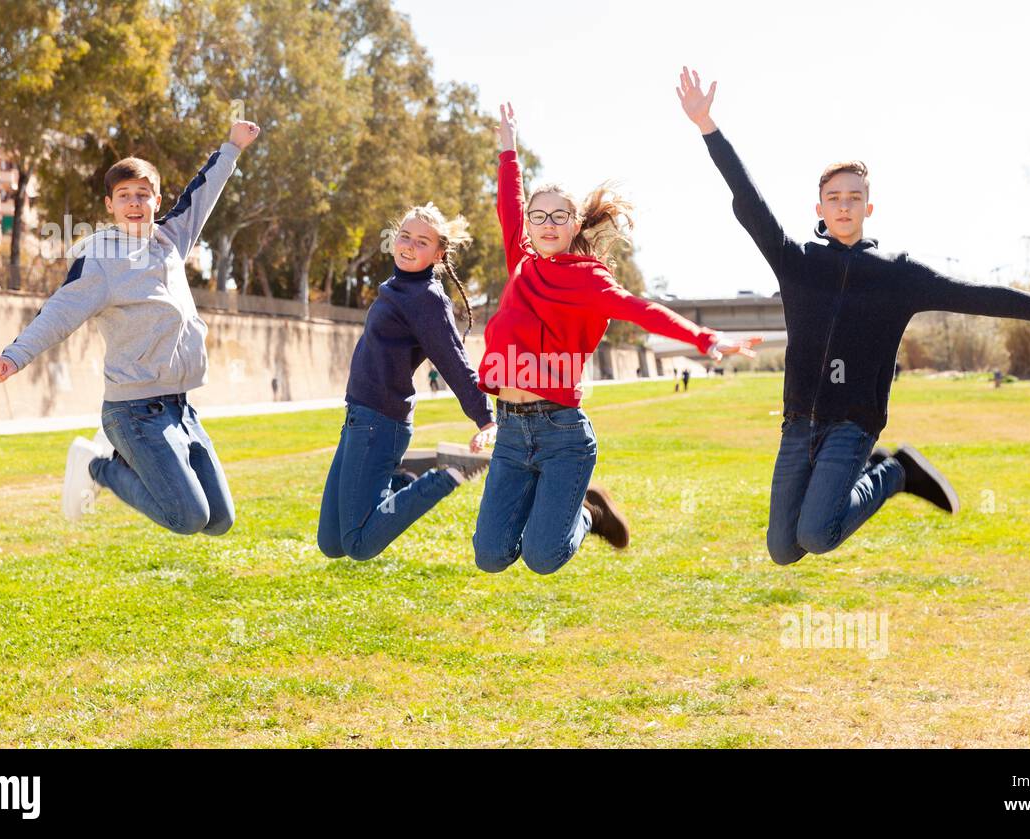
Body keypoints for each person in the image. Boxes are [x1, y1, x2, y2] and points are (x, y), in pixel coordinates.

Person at [676, 66, 1030, 566]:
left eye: (855, 198)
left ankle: (894, 473)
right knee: (784, 550)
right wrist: (707, 127)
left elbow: (981, 295)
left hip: (854, 421)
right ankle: (879, 471)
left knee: (818, 535)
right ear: (820, 207)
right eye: (834, 198)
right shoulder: (796, 261)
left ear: (869, 207)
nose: (844, 206)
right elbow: (750, 200)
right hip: (799, 421)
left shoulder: (899, 275)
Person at [471, 102, 758, 576]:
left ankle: (587, 511)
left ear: (575, 224)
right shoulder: (521, 263)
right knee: (492, 556)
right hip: (510, 432)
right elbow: (507, 206)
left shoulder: (589, 279)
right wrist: (508, 150)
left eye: (559, 216)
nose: (546, 224)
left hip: (560, 432)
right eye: (537, 216)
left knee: (543, 558)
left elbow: (641, 310)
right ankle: (546, 507)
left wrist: (704, 339)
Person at [0, 120, 262, 534]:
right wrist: (14, 355)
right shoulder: (99, 258)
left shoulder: (171, 240)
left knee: (220, 520)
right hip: (134, 410)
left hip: (180, 406)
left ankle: (113, 461)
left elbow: (202, 194)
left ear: (156, 200)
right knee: (188, 518)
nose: (133, 203)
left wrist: (232, 148)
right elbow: (61, 311)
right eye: (123, 196)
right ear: (110, 205)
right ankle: (99, 467)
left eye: (142, 195)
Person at [317, 203, 496, 561]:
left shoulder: (426, 298)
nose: (409, 246)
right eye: (405, 236)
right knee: (332, 542)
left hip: (379, 423)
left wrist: (485, 418)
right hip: (359, 418)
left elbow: (453, 360)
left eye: (422, 242)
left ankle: (448, 473)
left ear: (438, 254)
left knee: (358, 544)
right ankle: (405, 478)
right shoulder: (399, 286)